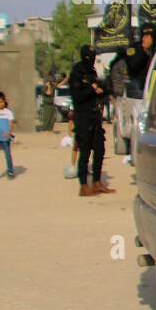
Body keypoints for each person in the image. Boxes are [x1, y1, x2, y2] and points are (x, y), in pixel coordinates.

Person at [68, 44, 114, 197]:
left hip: (95, 117)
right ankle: (83, 185)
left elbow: (100, 89)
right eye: (90, 57)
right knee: (85, 151)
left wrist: (102, 90)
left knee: (100, 149)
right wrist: (92, 89)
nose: (92, 60)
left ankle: (96, 182)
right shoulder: (76, 73)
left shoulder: (92, 72)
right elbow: (77, 97)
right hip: (83, 117)